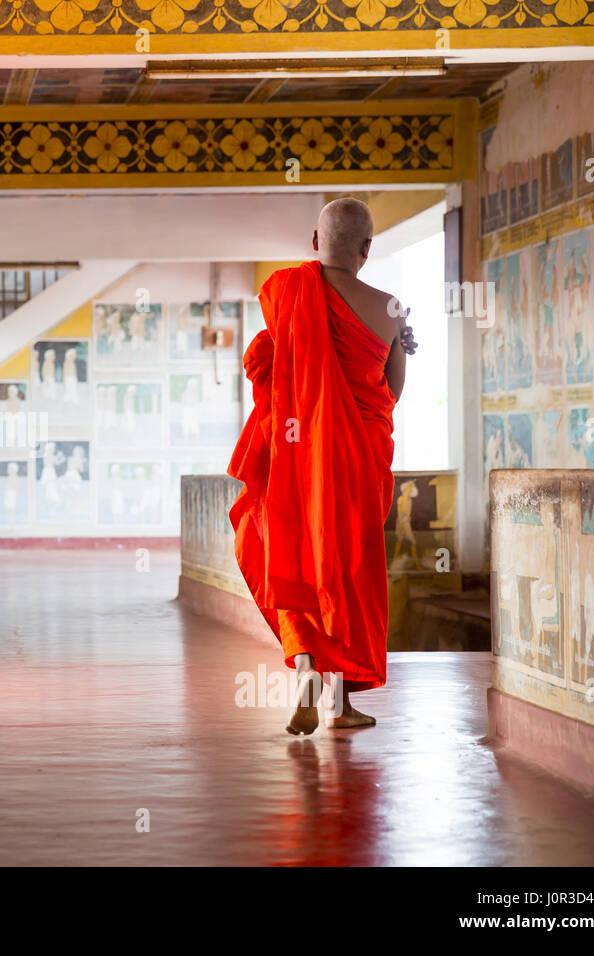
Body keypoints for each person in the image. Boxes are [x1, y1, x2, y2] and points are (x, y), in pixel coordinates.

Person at [228, 197, 418, 736]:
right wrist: (399, 343)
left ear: (316, 243)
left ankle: (309, 677)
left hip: (298, 462)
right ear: (366, 248)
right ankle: (343, 703)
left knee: (297, 562)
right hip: (357, 467)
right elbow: (390, 395)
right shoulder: (390, 310)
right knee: (350, 576)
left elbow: (262, 365)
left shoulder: (290, 294)